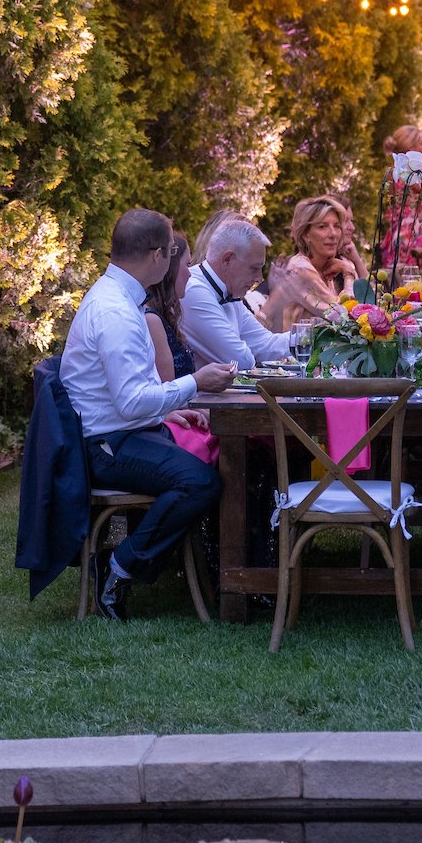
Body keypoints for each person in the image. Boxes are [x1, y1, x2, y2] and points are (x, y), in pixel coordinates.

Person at [60, 209, 235, 619]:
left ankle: (143, 560)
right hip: (106, 446)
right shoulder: (116, 312)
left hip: (123, 430)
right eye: (174, 253)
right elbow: (131, 402)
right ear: (158, 255)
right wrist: (196, 384)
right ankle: (122, 565)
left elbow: (132, 393)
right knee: (201, 483)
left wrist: (172, 408)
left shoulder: (117, 297)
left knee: (216, 461)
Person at [178, 216, 293, 372]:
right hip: (197, 397)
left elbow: (266, 344)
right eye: (254, 268)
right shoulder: (193, 291)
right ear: (228, 259)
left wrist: (323, 336)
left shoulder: (229, 292)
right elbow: (239, 360)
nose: (260, 278)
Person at [262, 195, 369, 330]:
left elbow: (369, 303)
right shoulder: (300, 268)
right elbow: (345, 316)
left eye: (336, 226)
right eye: (322, 226)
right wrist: (348, 272)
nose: (333, 234)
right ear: (306, 235)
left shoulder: (324, 266)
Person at [379, 123, 422, 279]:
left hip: (402, 233)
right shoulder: (407, 170)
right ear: (411, 147)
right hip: (412, 237)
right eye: (421, 143)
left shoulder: (395, 169)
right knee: (413, 281)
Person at [143, 234, 193, 380]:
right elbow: (169, 393)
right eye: (187, 265)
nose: (190, 274)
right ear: (171, 268)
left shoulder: (162, 313)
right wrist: (199, 381)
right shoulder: (151, 320)